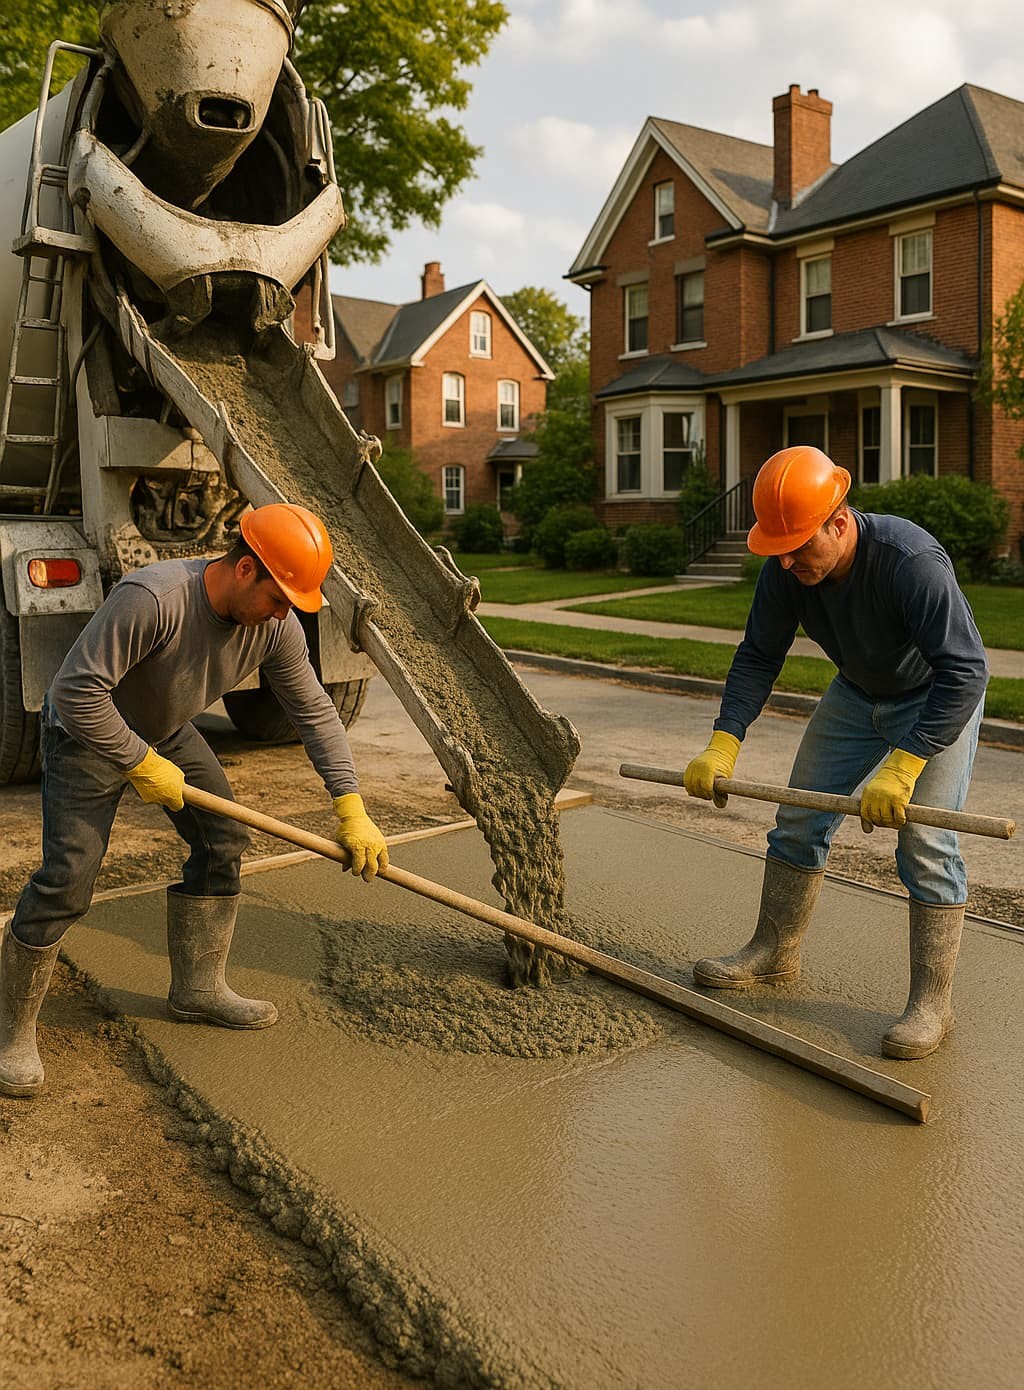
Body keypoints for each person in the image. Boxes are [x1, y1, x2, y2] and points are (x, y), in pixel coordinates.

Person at [0, 502, 388, 1098]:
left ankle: (197, 990)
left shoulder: (274, 627)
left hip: (166, 728)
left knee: (223, 837)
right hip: (84, 731)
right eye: (279, 597)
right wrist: (139, 762)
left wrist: (351, 805)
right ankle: (10, 1031)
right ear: (243, 569)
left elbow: (314, 711)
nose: (284, 614)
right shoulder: (154, 599)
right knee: (69, 878)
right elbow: (76, 694)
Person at [683, 446, 989, 1060]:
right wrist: (724, 740)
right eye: (779, 546)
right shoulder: (787, 568)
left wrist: (905, 765)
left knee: (926, 843)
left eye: (799, 543)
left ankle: (932, 1004)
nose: (788, 558)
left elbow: (966, 671)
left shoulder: (910, 562)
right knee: (798, 817)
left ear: (840, 521)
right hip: (856, 694)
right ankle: (774, 953)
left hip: (935, 699)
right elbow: (759, 654)